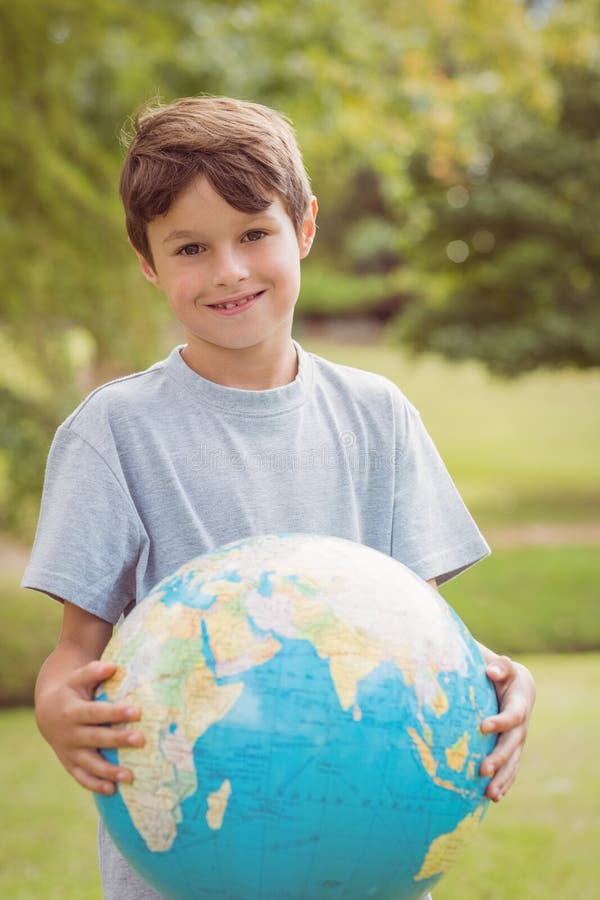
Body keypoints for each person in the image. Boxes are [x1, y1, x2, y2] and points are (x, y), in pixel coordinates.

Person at [23, 96, 535, 900]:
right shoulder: (115, 433)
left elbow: (425, 638)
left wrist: (500, 683)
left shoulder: (379, 418)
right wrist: (57, 705)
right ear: (149, 263)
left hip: (366, 854)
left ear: (304, 228)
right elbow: (75, 648)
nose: (228, 270)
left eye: (254, 233)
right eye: (190, 247)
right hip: (193, 857)